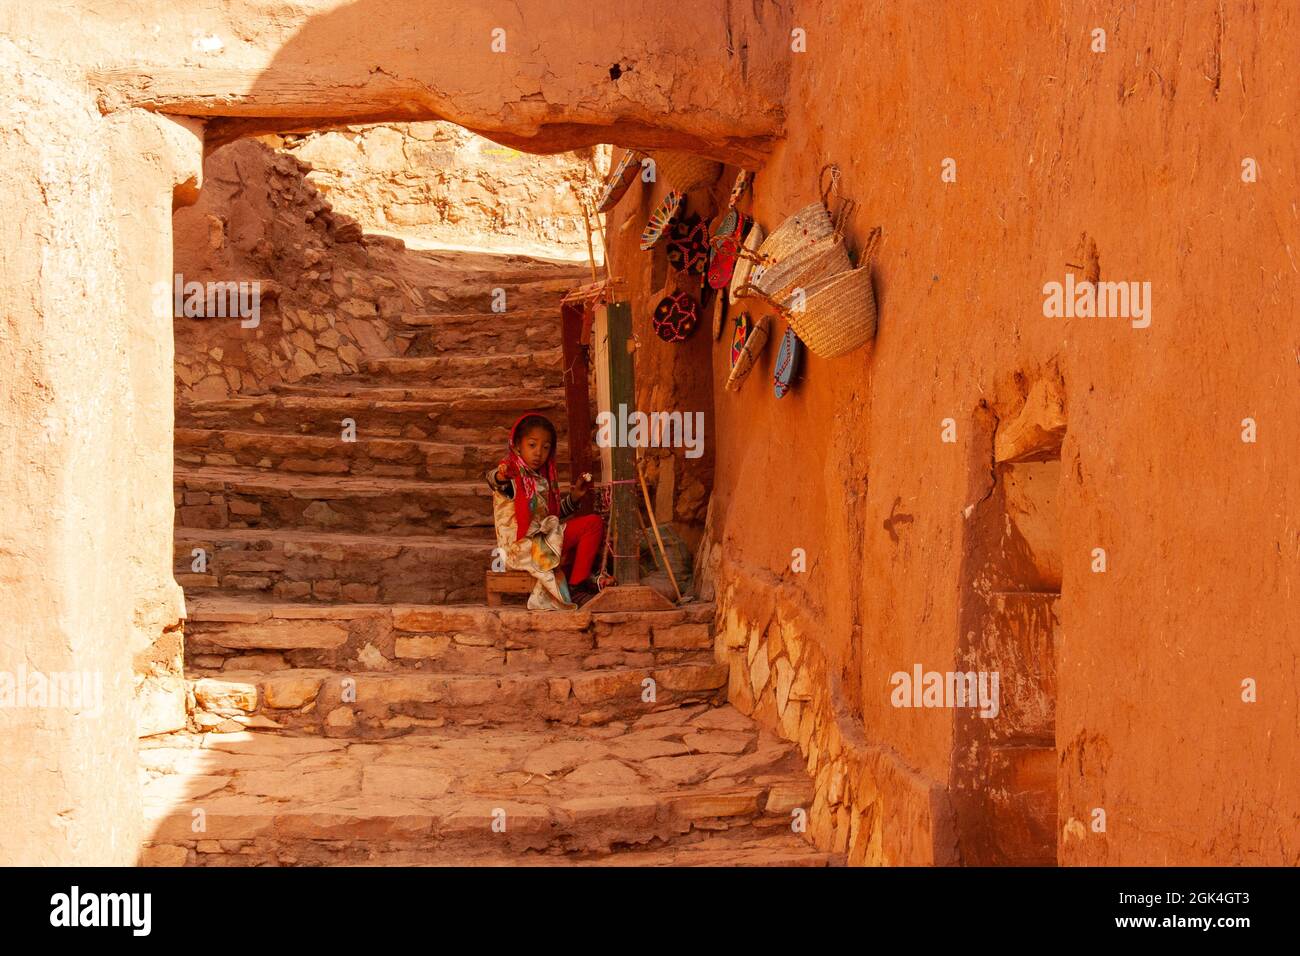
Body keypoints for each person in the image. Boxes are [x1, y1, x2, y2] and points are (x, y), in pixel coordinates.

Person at [486, 413, 604, 609]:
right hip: (521, 549)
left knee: (577, 539)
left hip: (537, 543)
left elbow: (553, 518)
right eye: (532, 445)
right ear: (516, 445)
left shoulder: (540, 480)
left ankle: (580, 584)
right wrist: (501, 474)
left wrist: (574, 498)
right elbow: (493, 480)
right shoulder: (512, 475)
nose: (538, 452)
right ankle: (576, 588)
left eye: (546, 447)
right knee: (592, 524)